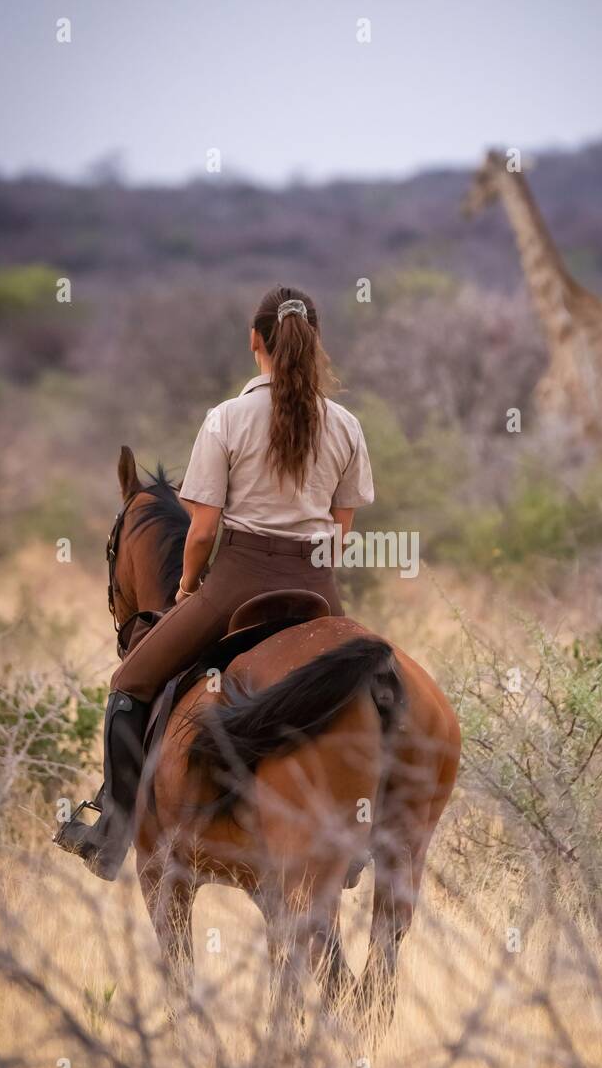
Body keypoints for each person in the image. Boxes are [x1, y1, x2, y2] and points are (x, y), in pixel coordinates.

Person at [55, 285, 374, 879]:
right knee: (374, 689)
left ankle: (112, 830)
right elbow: (341, 528)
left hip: (237, 583)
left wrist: (186, 589)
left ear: (255, 341)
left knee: (129, 683)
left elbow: (200, 533)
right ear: (316, 340)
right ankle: (365, 835)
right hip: (319, 591)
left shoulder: (226, 419)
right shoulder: (347, 424)